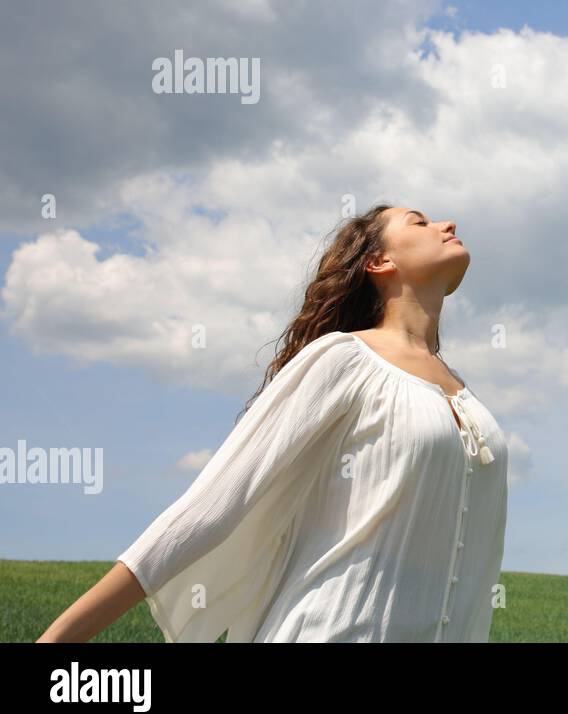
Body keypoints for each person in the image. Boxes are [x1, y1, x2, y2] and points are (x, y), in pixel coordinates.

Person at [36, 203, 508, 642]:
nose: (447, 225)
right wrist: (57, 640)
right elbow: (213, 505)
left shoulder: (469, 400)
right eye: (420, 222)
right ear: (379, 262)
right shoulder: (343, 360)